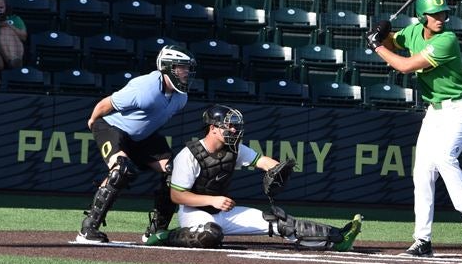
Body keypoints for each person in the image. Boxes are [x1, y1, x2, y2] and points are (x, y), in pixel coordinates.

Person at [147, 104, 362, 251]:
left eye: (235, 126)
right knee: (210, 235)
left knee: (279, 223)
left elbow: (262, 161)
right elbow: (177, 196)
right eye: (228, 126)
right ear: (213, 128)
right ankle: (166, 236)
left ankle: (337, 238)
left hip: (222, 213)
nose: (234, 130)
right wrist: (212, 200)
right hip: (194, 214)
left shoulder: (235, 149)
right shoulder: (189, 154)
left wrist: (278, 168)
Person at [367, 0, 462, 257]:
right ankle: (422, 240)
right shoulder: (412, 32)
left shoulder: (447, 40)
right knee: (422, 173)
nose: (440, 18)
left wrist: (377, 46)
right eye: (434, 14)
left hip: (460, 109)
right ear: (422, 16)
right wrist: (382, 32)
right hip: (435, 112)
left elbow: (406, 65)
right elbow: (394, 43)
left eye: (443, 13)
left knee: (445, 157)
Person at [78, 44, 196, 244]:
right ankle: (88, 228)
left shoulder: (181, 97)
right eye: (181, 67)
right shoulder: (144, 88)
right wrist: (92, 122)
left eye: (187, 68)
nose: (186, 73)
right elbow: (106, 104)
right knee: (121, 170)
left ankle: (157, 230)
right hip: (112, 127)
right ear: (166, 67)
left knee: (175, 171)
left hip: (142, 137)